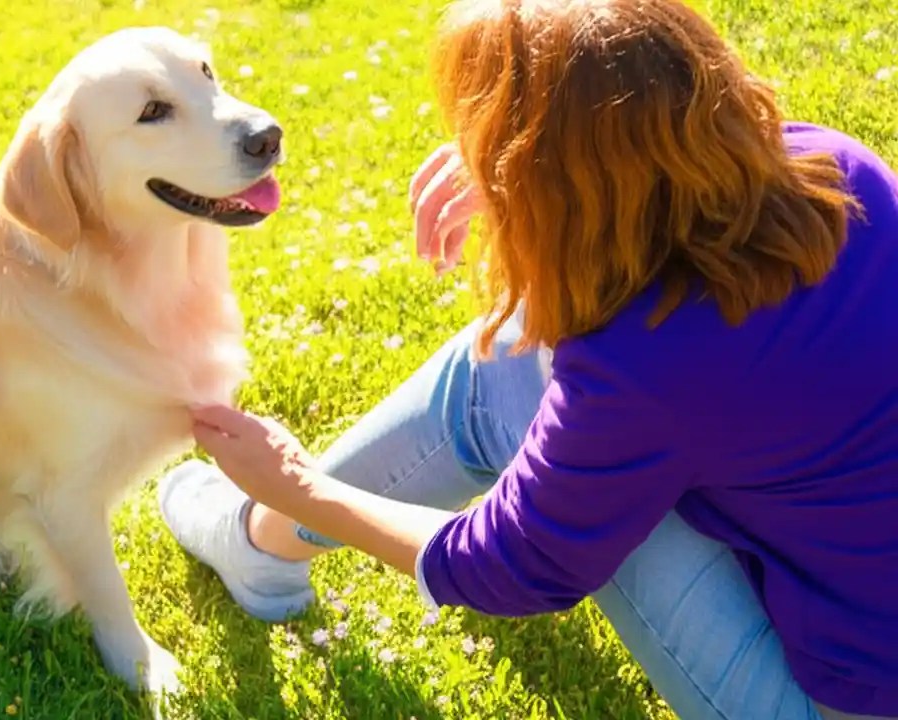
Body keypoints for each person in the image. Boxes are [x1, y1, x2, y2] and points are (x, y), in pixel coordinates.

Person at [155, 0, 898, 718]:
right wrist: (546, 176)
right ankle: (261, 547)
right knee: (517, 355)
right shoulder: (840, 171)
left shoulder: (646, 362)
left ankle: (264, 533)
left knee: (508, 371)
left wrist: (296, 487)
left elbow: (511, 567)